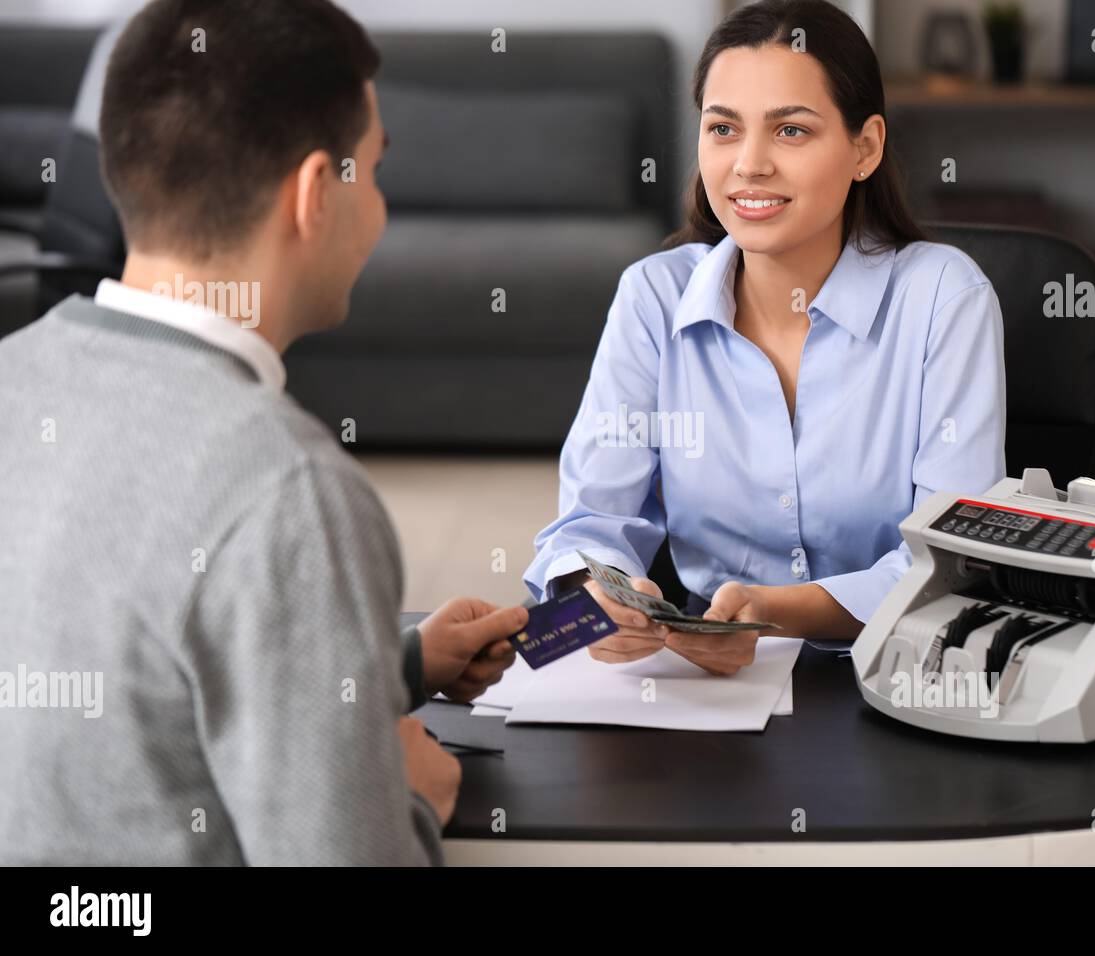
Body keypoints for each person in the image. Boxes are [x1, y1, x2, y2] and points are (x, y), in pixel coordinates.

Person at [0, 0, 524, 865]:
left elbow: (114, 663)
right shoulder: (291, 492)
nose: (381, 210)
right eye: (374, 170)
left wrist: (384, 666)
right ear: (317, 194)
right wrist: (416, 807)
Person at [525, 0, 1006, 676]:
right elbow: (586, 527)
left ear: (864, 147)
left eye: (790, 131)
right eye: (724, 128)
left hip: (898, 677)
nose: (749, 165)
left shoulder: (943, 298)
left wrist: (777, 611)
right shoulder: (653, 297)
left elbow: (954, 558)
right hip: (701, 683)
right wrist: (593, 599)